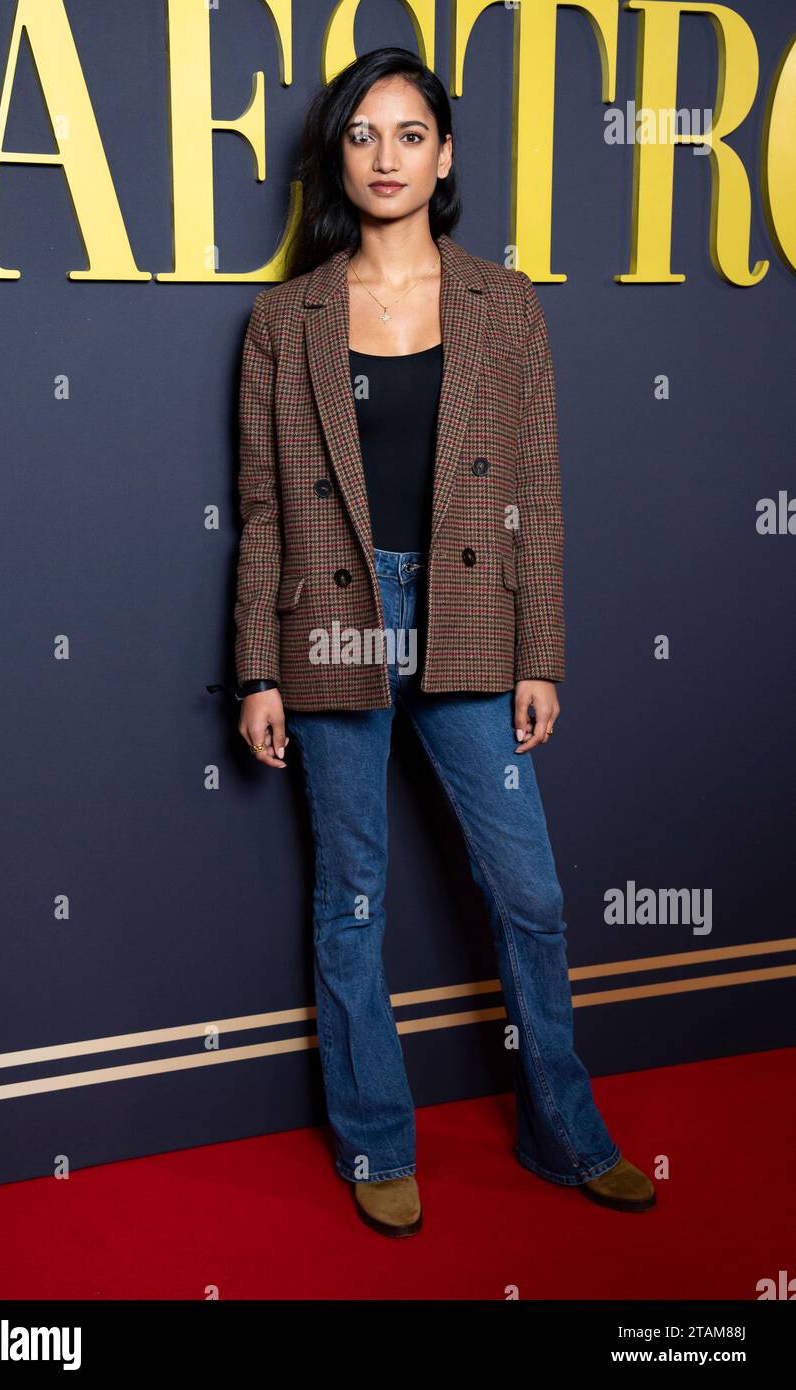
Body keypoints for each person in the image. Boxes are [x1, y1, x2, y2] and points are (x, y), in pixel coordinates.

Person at [232, 47, 655, 1237]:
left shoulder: (503, 304)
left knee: (528, 890)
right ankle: (373, 1137)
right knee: (351, 894)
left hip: (472, 619)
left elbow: (540, 487)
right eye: (362, 134)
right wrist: (257, 667)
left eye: (408, 133)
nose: (384, 156)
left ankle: (564, 1136)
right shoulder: (283, 319)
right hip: (332, 619)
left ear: (444, 154)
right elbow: (263, 505)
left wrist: (541, 652)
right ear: (336, 153)